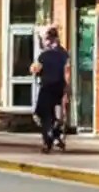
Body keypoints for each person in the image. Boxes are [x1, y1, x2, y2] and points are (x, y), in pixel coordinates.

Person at [30, 26, 70, 154]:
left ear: (48, 40)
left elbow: (35, 69)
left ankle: (48, 140)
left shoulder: (44, 55)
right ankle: (56, 136)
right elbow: (67, 72)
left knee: (42, 114)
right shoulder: (64, 53)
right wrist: (67, 89)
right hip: (59, 88)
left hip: (47, 88)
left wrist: (34, 69)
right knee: (54, 115)